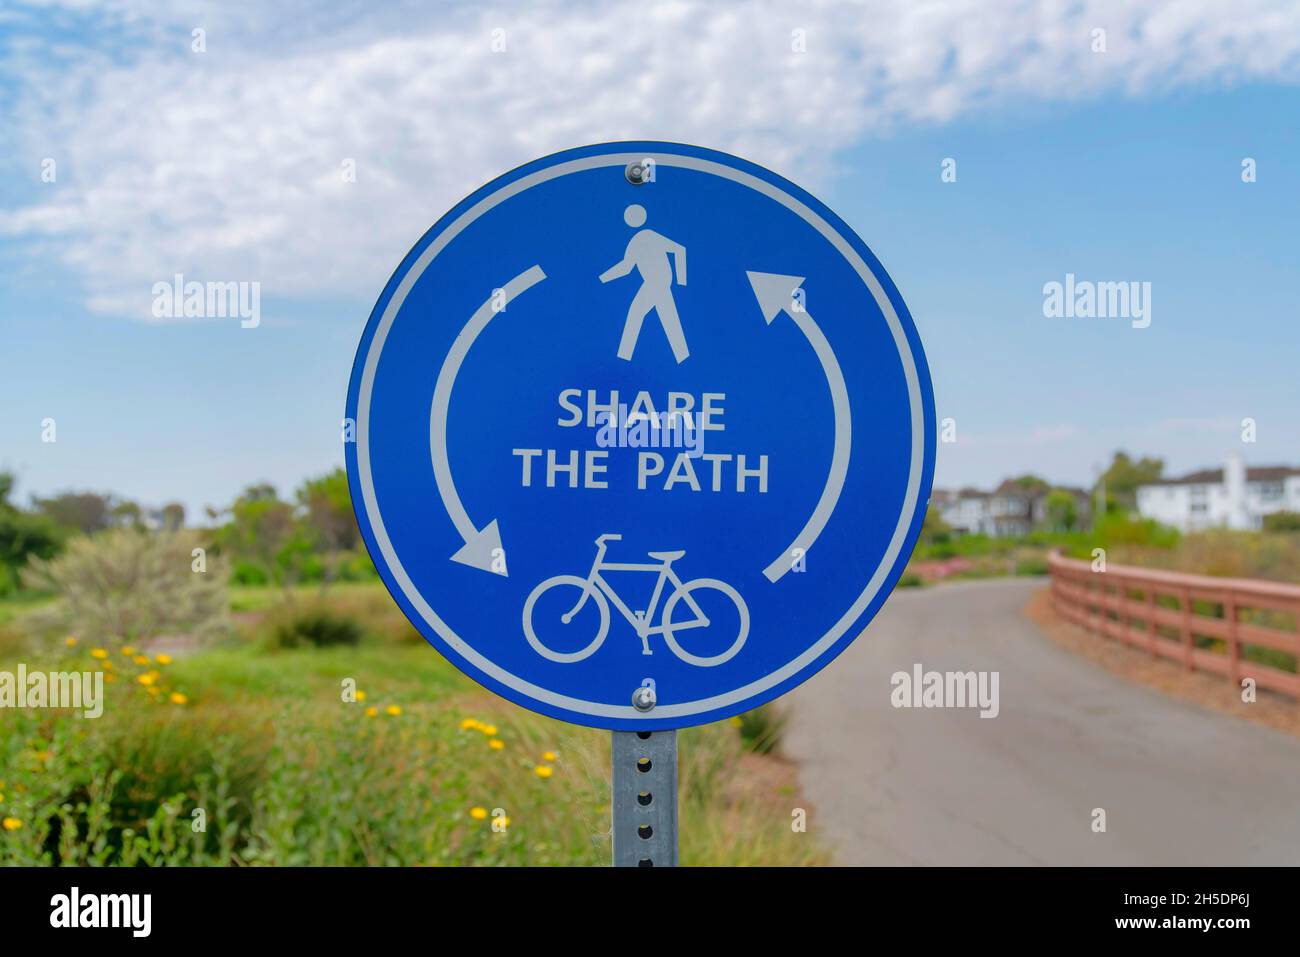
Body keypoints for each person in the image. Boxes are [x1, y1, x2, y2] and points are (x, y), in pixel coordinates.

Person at [599, 204, 689, 363]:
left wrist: (681, 281)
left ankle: (623, 357)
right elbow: (626, 267)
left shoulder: (648, 235)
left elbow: (679, 249)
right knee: (669, 318)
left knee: (636, 313)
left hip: (658, 282)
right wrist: (602, 278)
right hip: (655, 283)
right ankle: (683, 357)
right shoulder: (634, 242)